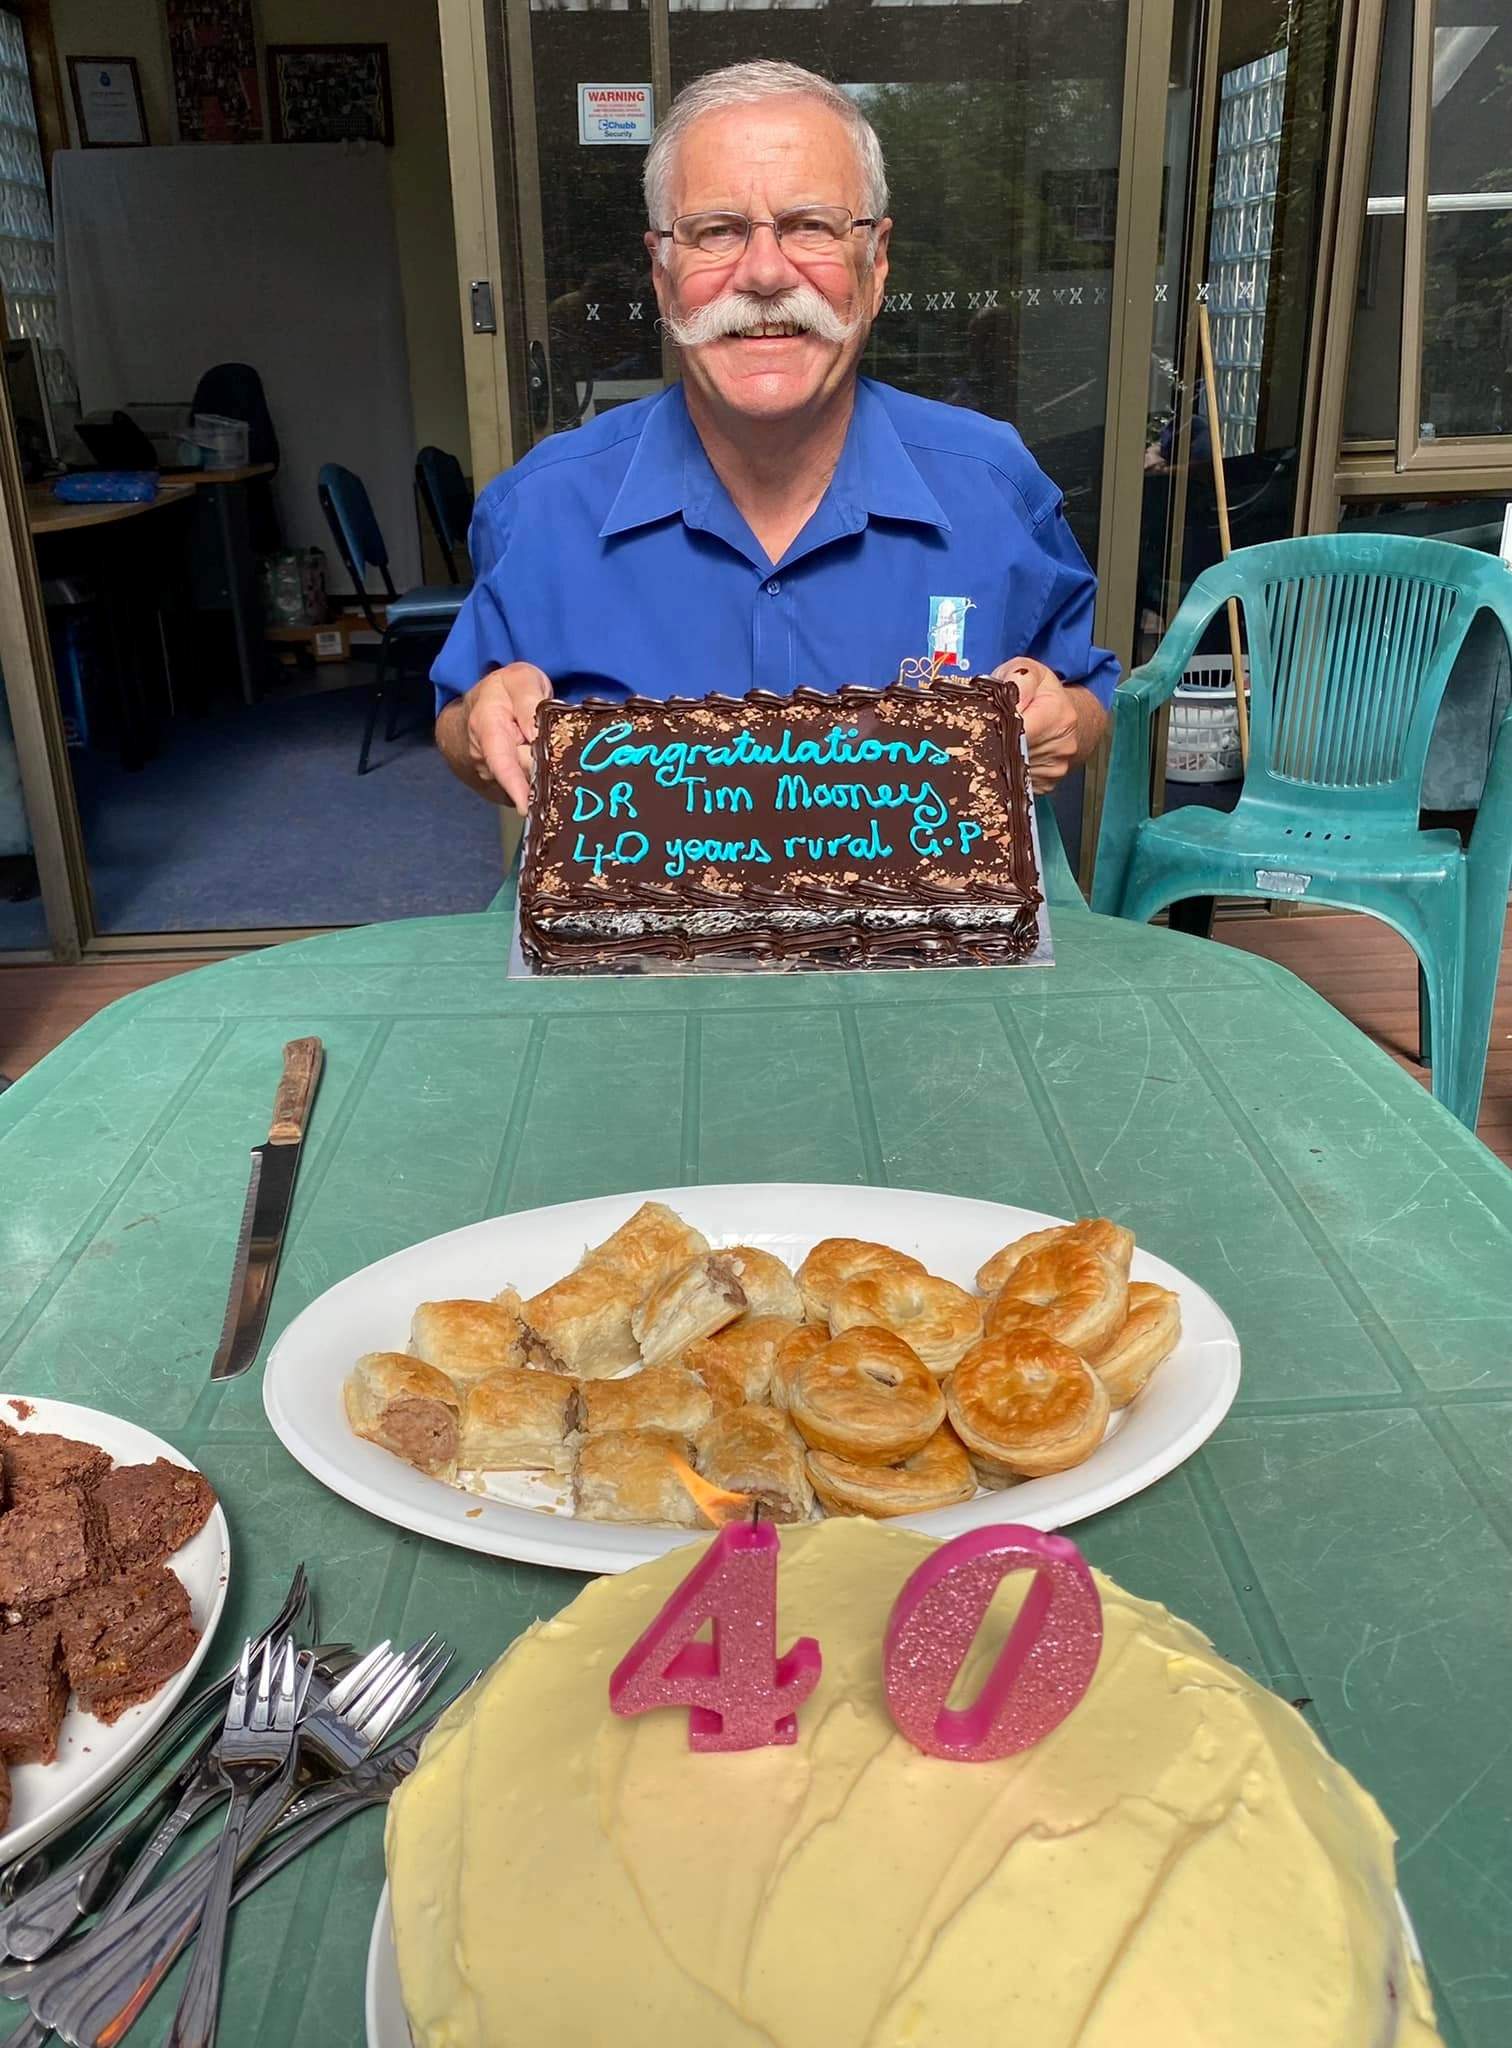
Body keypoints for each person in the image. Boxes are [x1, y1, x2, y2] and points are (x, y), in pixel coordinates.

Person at [434, 60, 1118, 813]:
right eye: (717, 231)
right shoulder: (540, 510)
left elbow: (1083, 694)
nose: (764, 273)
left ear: (877, 261)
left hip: (932, 934)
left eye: (811, 226)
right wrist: (478, 726)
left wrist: (1066, 722)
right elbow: (465, 724)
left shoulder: (995, 488)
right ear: (661, 273)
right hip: (635, 932)